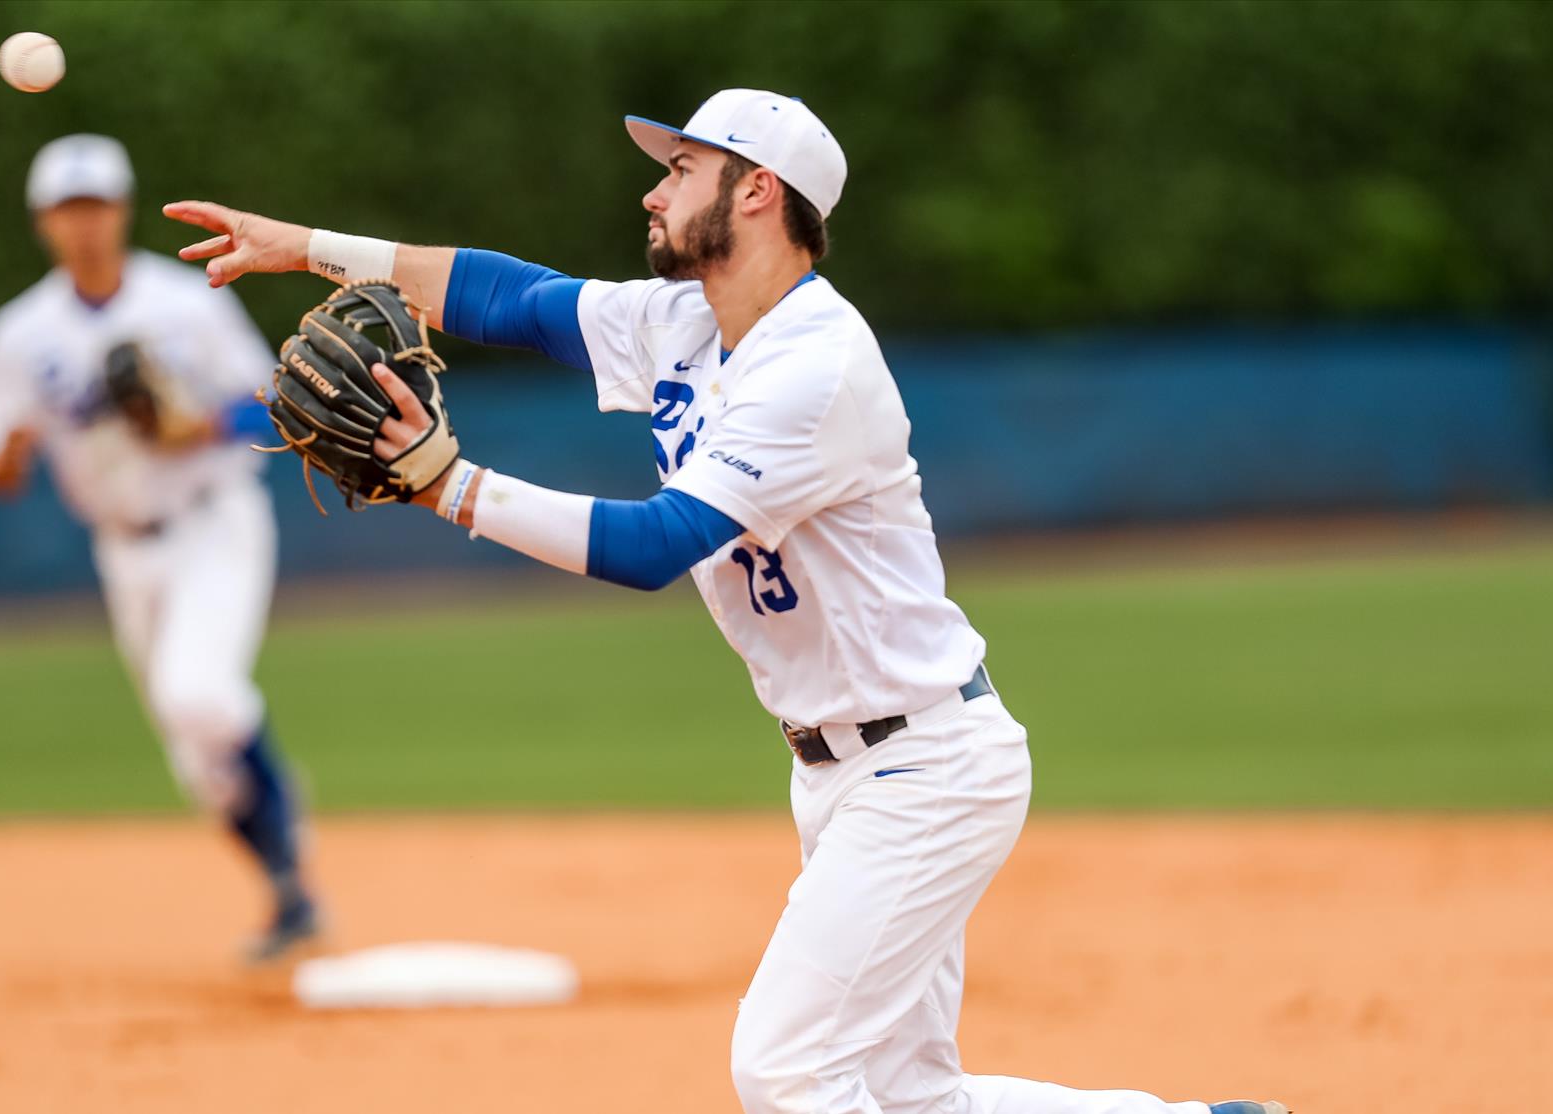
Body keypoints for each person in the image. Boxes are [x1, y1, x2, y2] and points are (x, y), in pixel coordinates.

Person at [165, 90, 1286, 1113]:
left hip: (926, 768)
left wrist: (451, 485)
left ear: (756, 190)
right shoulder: (688, 319)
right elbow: (512, 296)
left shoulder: (813, 367)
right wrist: (307, 248)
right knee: (904, 1095)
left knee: (785, 1068)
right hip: (845, 769)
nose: (653, 188)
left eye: (682, 166)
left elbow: (657, 546)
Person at [0, 134, 320, 965]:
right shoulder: (20, 335)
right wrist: (10, 454)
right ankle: (291, 892)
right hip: (124, 553)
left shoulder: (184, 302)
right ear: (43, 223)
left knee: (199, 697)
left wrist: (204, 425)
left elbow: (282, 408)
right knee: (201, 767)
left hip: (214, 521)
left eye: (97, 205)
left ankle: (286, 827)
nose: (84, 224)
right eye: (66, 209)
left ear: (120, 211)